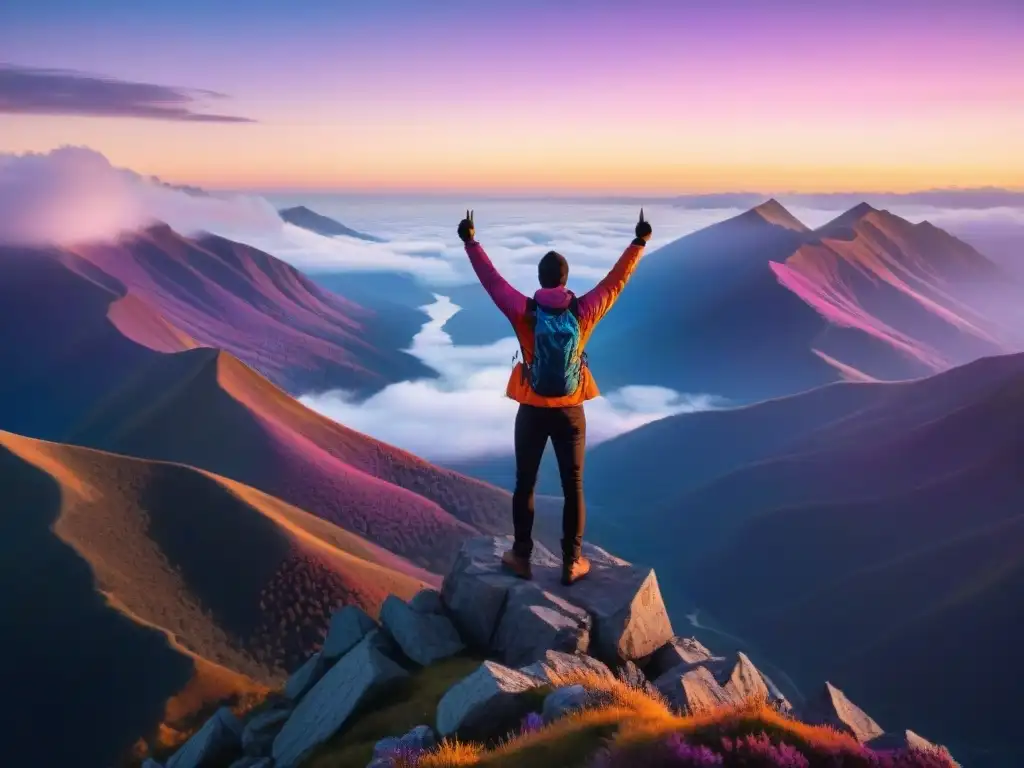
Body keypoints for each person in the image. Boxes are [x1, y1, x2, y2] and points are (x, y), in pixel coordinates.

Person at [458, 208, 652, 585]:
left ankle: (521, 556)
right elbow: (616, 281)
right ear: (565, 280)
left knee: (525, 484)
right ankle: (572, 562)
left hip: (531, 409)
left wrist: (470, 241)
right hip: (571, 411)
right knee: (573, 486)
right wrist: (639, 242)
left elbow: (491, 280)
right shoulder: (584, 310)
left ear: (540, 280)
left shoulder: (523, 310)